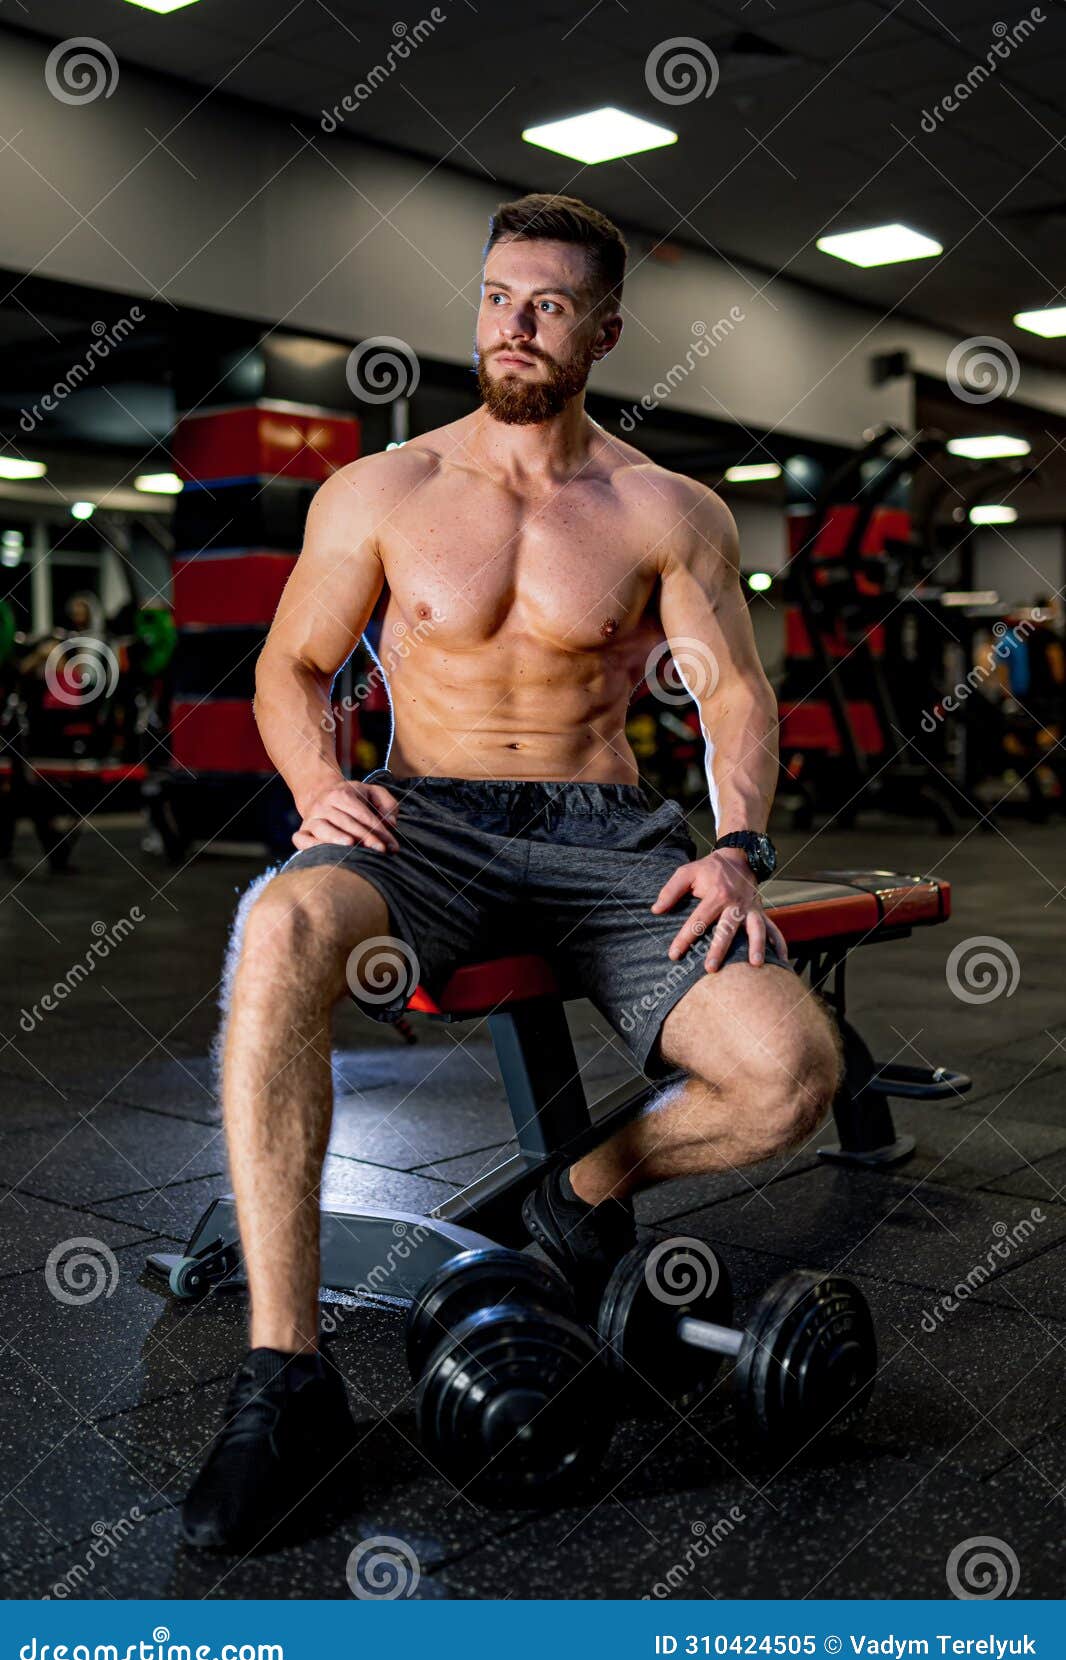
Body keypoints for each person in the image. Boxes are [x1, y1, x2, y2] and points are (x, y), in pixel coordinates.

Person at [182, 193, 843, 1552]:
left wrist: (733, 848)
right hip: (426, 822)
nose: (513, 325)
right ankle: (283, 1375)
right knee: (283, 922)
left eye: (546, 303)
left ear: (603, 328)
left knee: (789, 1071)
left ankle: (580, 1190)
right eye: (495, 296)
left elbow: (729, 693)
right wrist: (319, 788)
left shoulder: (668, 506)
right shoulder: (385, 489)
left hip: (612, 839)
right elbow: (291, 665)